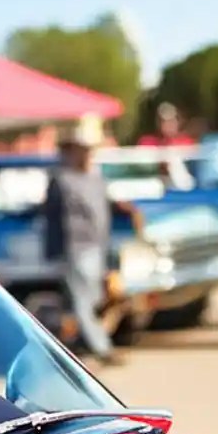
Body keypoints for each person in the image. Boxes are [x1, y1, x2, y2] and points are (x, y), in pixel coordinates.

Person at [44, 123, 142, 367]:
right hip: (75, 247)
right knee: (82, 301)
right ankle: (102, 348)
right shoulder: (62, 180)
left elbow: (106, 207)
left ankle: (69, 346)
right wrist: (54, 250)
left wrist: (129, 210)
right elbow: (52, 217)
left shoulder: (95, 178)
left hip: (97, 246)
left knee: (91, 300)